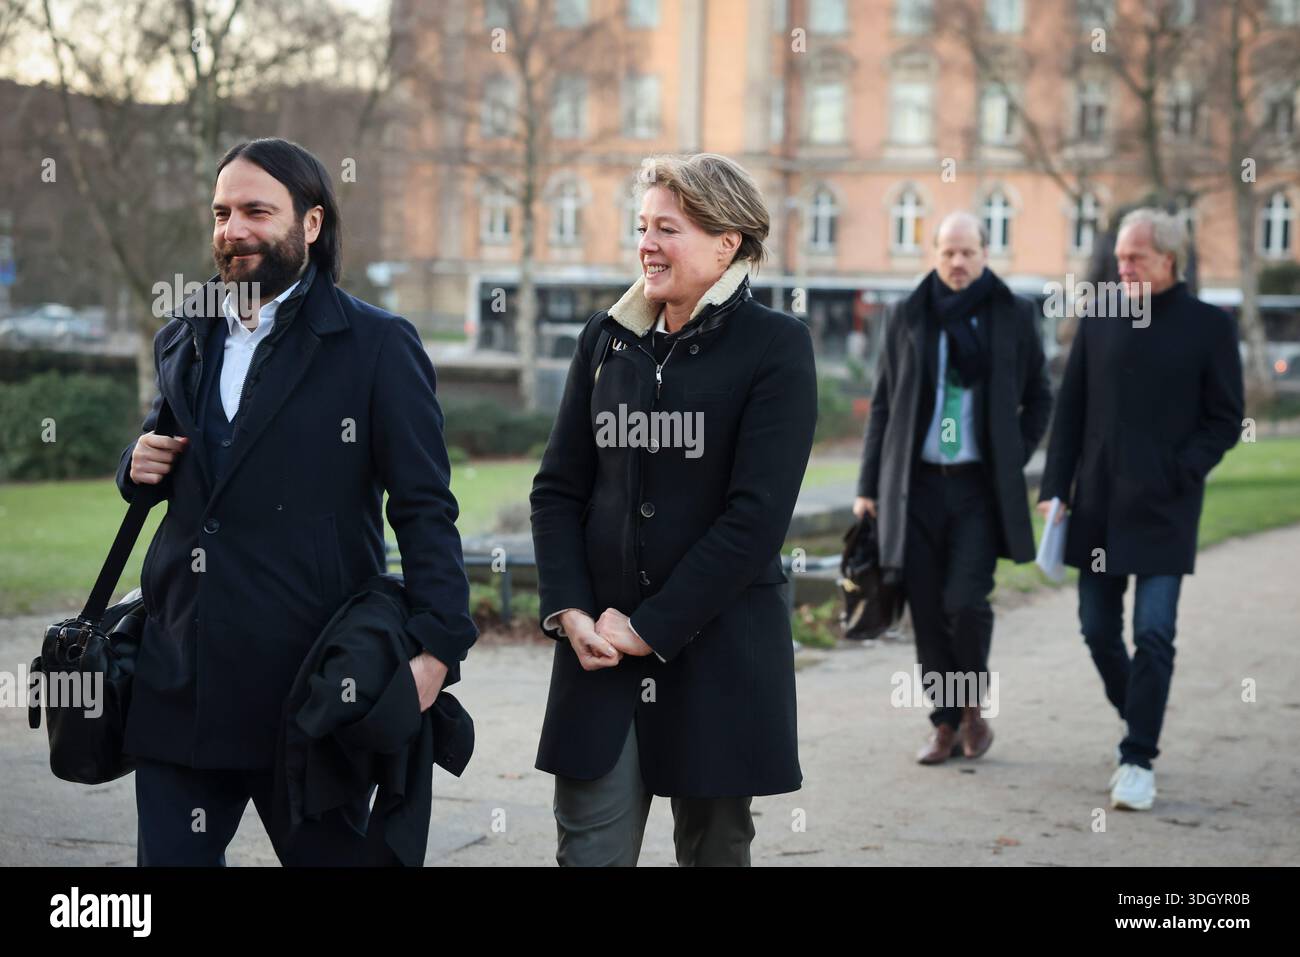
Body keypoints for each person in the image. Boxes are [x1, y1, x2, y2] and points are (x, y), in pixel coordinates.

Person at [116, 138, 477, 865]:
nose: (233, 229)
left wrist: (438, 646)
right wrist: (135, 466)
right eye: (221, 212)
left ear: (310, 224)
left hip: (313, 686)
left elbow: (424, 505)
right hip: (181, 669)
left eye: (255, 210)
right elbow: (182, 462)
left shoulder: (377, 345)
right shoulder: (184, 334)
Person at [530, 153, 818, 866]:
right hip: (597, 650)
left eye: (669, 228)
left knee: (715, 852)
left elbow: (754, 520)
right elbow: (558, 489)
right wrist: (568, 608)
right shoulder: (604, 340)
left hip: (720, 655)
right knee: (588, 850)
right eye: (642, 227)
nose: (648, 244)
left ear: (729, 243)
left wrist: (650, 628)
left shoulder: (777, 347)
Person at [1038, 207, 1243, 811]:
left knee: (1153, 632)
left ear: (1169, 260)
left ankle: (1138, 758)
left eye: (1135, 258)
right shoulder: (1099, 317)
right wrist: (1056, 485)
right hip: (1096, 505)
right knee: (1098, 630)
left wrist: (1180, 470)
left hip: (1166, 508)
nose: (1122, 267)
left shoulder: (1210, 326)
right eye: (1120, 256)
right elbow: (1069, 409)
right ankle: (1141, 713)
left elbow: (1225, 419)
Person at [854, 211, 1052, 765]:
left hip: (976, 490)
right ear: (935, 255)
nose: (958, 262)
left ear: (985, 253)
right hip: (912, 487)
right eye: (948, 253)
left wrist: (1014, 454)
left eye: (968, 252)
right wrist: (868, 484)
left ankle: (972, 711)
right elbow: (884, 405)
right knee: (925, 607)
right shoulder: (908, 315)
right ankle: (944, 722)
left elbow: (1040, 395)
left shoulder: (1011, 314)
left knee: (965, 603)